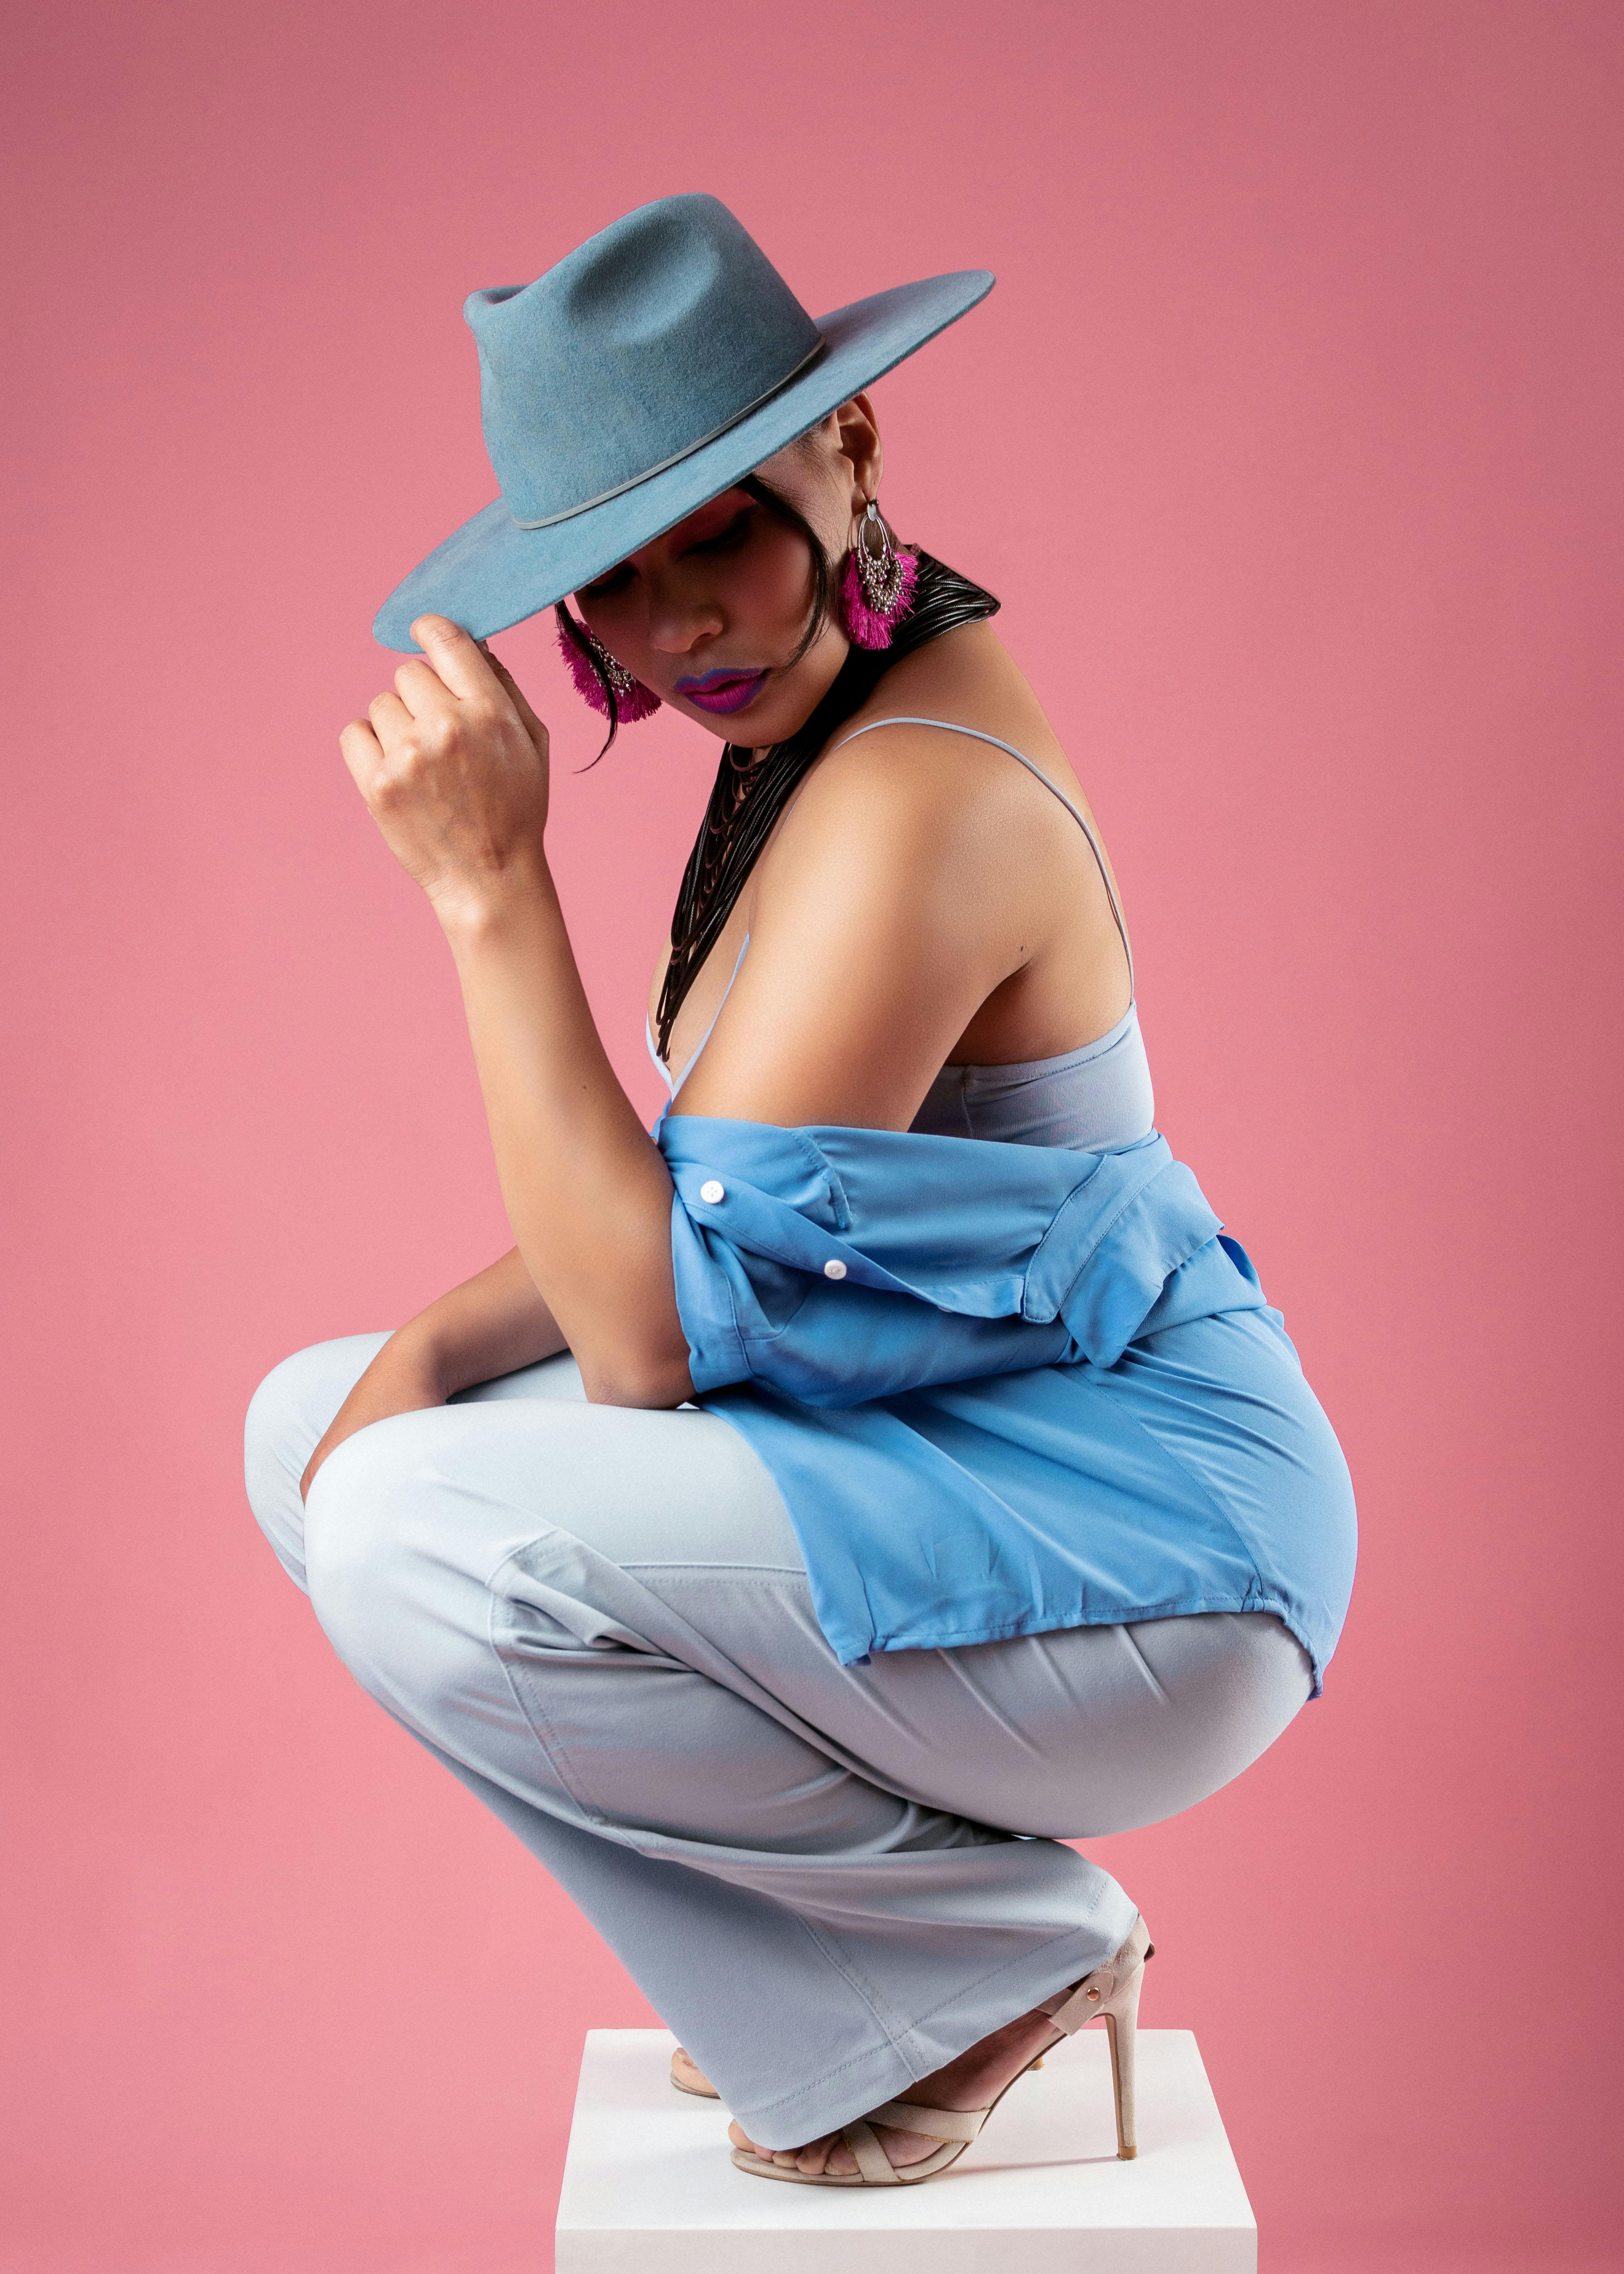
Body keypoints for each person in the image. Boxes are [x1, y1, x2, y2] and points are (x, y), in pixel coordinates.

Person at [245, 193, 1356, 2189]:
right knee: (311, 1441)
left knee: (404, 1517)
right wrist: (415, 1344)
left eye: (724, 536)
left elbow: (655, 1338)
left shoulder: (916, 799)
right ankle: (846, 1997)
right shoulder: (833, 712)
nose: (677, 631)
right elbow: (696, 1219)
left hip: (1162, 1550)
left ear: (853, 452)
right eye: (612, 579)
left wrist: (495, 897)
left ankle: (996, 1963)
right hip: (952, 1457)